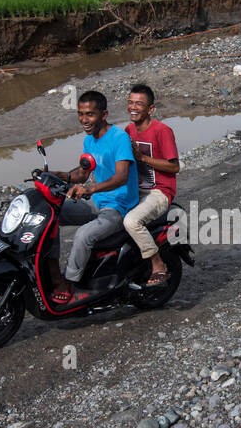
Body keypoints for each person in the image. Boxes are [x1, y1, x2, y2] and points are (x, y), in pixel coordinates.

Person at [43, 90, 139, 305]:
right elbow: (83, 172)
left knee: (83, 235)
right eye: (80, 114)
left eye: (90, 114)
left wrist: (90, 189)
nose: (84, 120)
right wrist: (59, 175)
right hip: (97, 201)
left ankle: (71, 283)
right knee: (51, 215)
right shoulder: (89, 139)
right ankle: (52, 273)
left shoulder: (119, 138)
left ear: (103, 115)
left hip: (119, 206)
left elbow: (122, 177)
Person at [122, 83, 179, 287]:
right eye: (130, 102)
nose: (133, 107)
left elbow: (174, 167)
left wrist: (142, 158)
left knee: (131, 222)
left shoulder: (162, 131)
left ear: (150, 109)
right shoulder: (128, 130)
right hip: (136, 189)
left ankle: (157, 264)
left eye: (139, 104)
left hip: (159, 192)